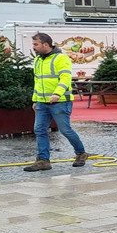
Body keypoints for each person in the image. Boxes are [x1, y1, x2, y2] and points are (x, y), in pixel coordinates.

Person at [25, 33, 89, 172]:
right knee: (40, 130)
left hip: (60, 101)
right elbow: (38, 81)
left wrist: (57, 94)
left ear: (46, 44)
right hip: (42, 102)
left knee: (65, 130)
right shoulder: (38, 60)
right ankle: (43, 161)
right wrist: (35, 100)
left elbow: (65, 79)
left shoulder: (61, 58)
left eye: (36, 44)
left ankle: (81, 153)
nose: (34, 47)